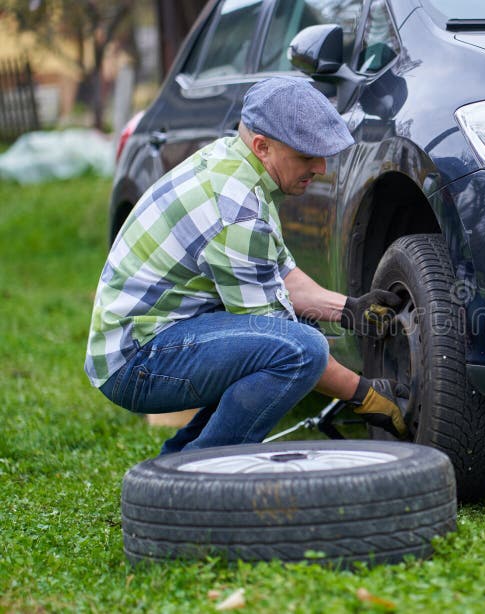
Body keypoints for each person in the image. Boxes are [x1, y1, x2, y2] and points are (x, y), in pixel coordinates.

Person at [85, 77, 408, 455]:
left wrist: (350, 309)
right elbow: (285, 341)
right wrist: (365, 396)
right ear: (262, 145)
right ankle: (203, 477)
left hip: (147, 339)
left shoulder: (233, 163)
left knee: (294, 340)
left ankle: (175, 468)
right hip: (136, 362)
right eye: (306, 156)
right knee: (303, 348)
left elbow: (280, 276)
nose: (320, 167)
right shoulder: (235, 210)